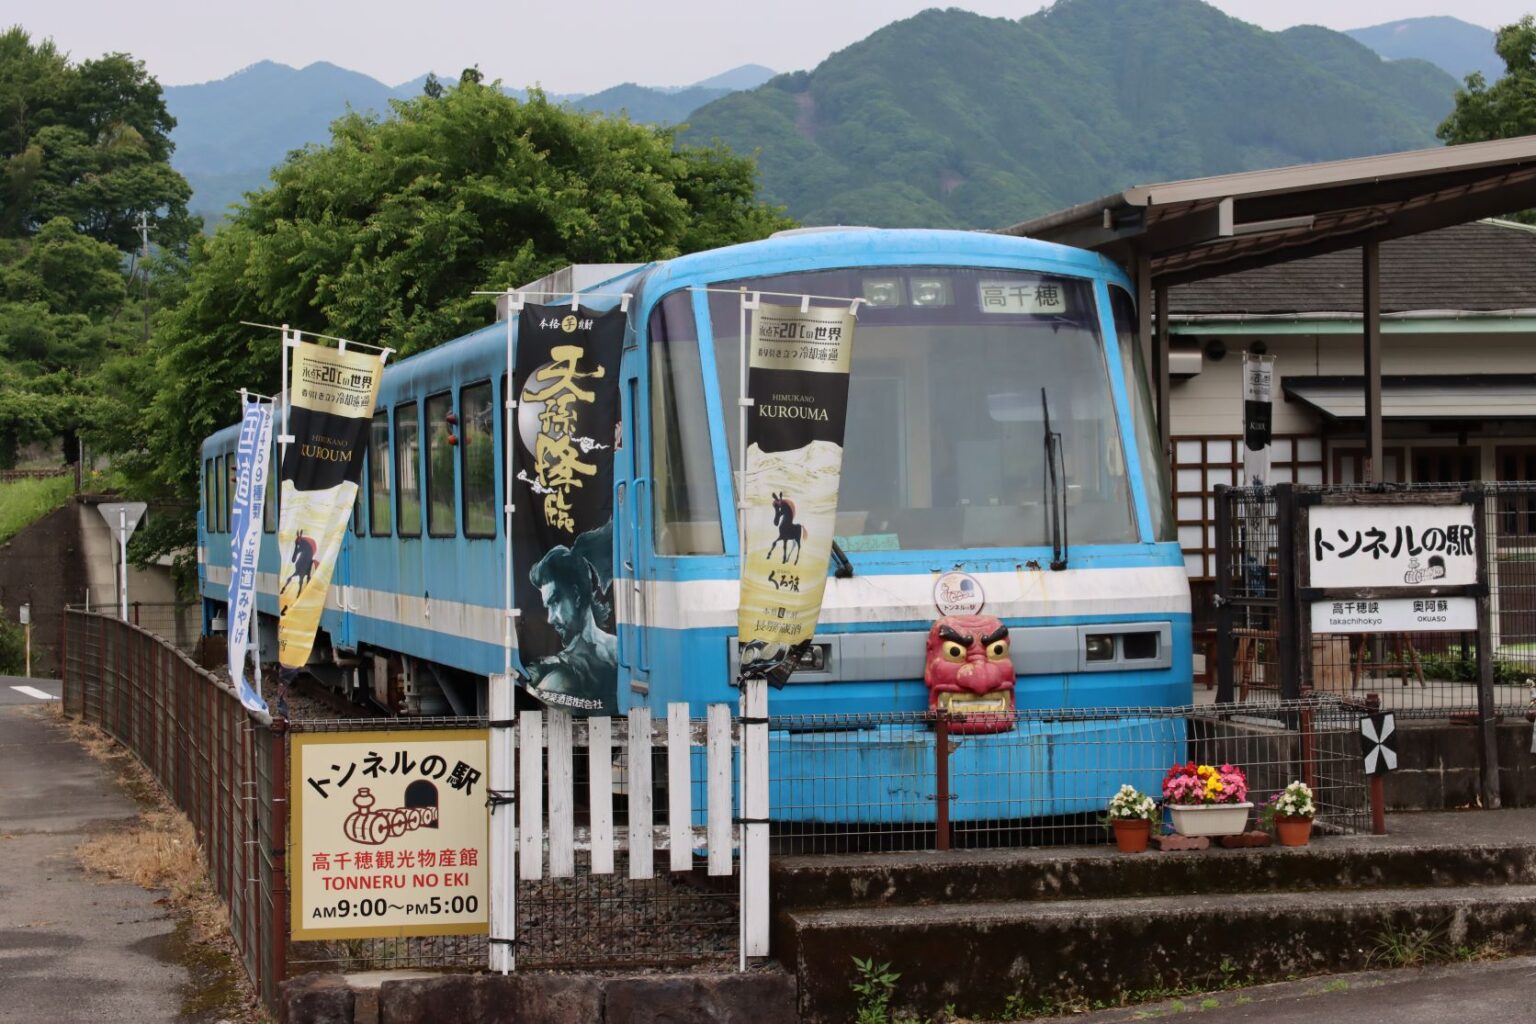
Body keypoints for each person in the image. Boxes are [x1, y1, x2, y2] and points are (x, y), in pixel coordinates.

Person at [526, 542, 617, 713]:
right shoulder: (558, 677)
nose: (550, 618)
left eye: (554, 603)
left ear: (575, 595)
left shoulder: (620, 651)